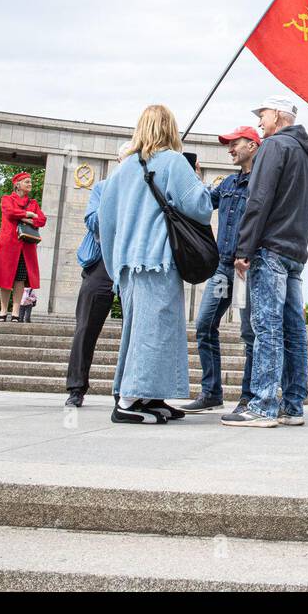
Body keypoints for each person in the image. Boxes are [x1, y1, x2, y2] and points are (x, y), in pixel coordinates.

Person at [99, 104, 212, 426]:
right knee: (154, 332)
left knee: (145, 331)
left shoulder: (123, 169)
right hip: (158, 260)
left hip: (128, 264)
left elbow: (106, 224)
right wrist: (196, 179)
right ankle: (128, 401)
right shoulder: (174, 162)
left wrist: (113, 268)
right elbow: (201, 207)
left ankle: (151, 395)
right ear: (170, 129)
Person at [223, 96, 308, 428]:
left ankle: (262, 404)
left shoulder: (274, 146)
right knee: (294, 331)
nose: (260, 122)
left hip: (270, 250)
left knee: (266, 328)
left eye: (262, 115)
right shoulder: (307, 155)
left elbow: (258, 199)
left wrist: (244, 248)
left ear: (278, 115)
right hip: (294, 253)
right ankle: (293, 406)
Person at [186, 126, 260, 414]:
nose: (230, 149)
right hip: (222, 269)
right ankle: (211, 391)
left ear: (253, 145)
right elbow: (202, 202)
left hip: (246, 270)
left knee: (249, 332)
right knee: (204, 324)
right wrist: (191, 178)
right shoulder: (229, 183)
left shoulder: (261, 183)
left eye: (235, 143)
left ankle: (248, 396)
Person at [65, 178, 113, 407]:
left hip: (132, 260)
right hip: (101, 261)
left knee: (136, 327)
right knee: (85, 325)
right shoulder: (104, 187)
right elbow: (92, 221)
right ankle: (76, 388)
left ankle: (128, 391)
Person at [0, 172, 48, 322]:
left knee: (19, 280)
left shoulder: (33, 202)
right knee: (4, 280)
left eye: (30, 182)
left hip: (25, 247)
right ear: (17, 184)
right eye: (27, 182)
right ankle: (3, 311)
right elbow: (9, 212)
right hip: (8, 245)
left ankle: (15, 313)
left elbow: (42, 219)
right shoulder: (7, 199)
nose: (30, 184)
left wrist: (26, 219)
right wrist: (28, 214)